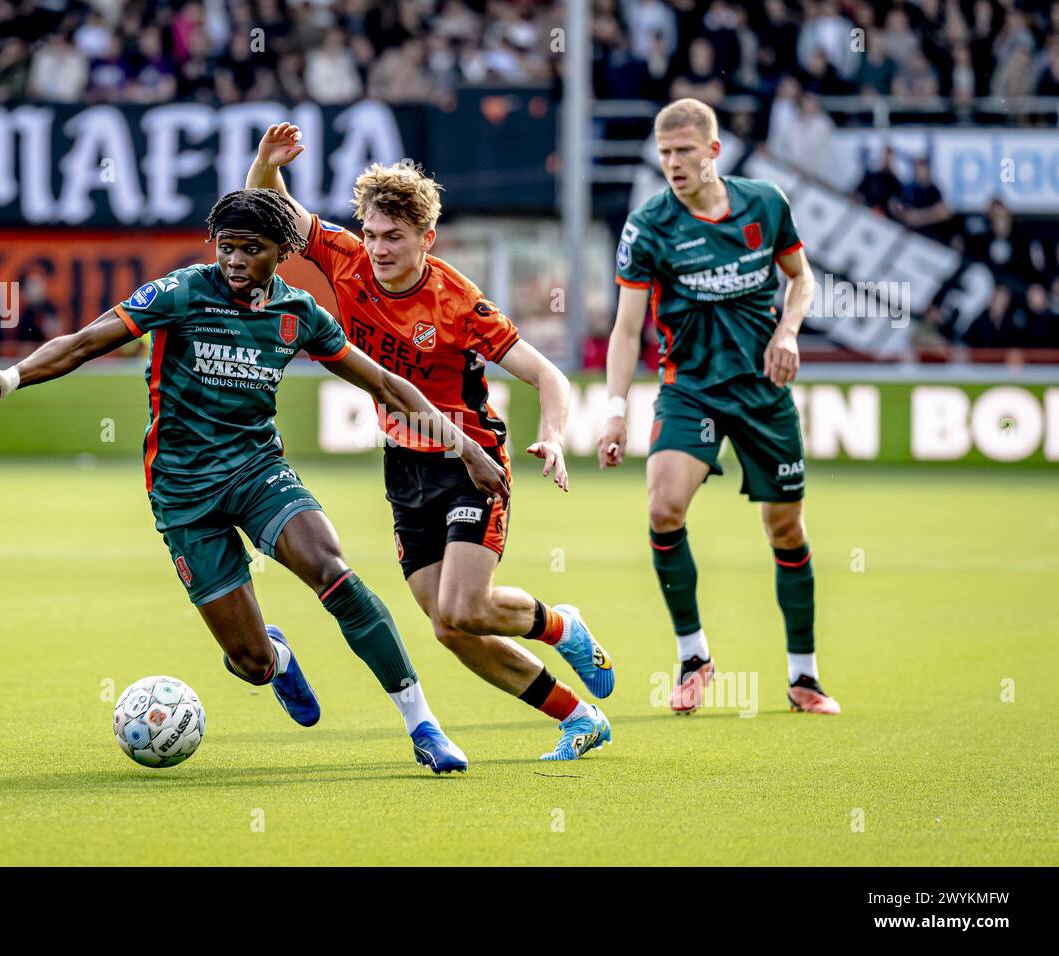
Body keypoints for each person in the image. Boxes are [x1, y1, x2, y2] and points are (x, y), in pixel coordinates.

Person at [0, 188, 510, 774]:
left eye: (253, 250)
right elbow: (87, 341)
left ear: (281, 253)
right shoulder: (181, 292)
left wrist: (466, 447)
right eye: (227, 248)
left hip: (256, 470)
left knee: (333, 571)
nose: (236, 262)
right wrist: (11, 377)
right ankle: (274, 654)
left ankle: (422, 724)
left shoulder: (298, 314)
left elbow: (384, 384)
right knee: (250, 662)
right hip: (182, 493)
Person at [246, 124, 614, 762]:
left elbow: (546, 374)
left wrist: (552, 436)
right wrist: (265, 163)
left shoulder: (459, 304)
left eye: (394, 237)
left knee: (464, 605)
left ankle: (561, 626)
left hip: (471, 464)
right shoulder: (346, 257)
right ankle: (579, 717)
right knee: (448, 627)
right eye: (372, 233)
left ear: (426, 238)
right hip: (404, 466)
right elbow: (266, 212)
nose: (379, 249)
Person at [597, 98, 841, 716]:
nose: (673, 164)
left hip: (762, 390)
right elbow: (627, 330)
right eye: (664, 154)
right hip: (691, 387)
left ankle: (804, 677)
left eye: (683, 152)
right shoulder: (648, 225)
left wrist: (787, 332)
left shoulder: (765, 203)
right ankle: (693, 656)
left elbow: (802, 278)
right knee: (662, 508)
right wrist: (616, 408)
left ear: (713, 151)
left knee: (785, 529)